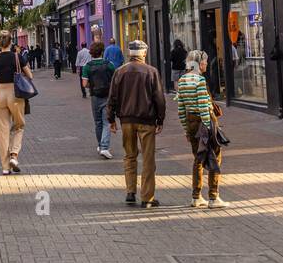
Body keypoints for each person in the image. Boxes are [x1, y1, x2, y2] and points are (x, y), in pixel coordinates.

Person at [107, 40, 166, 208]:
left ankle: (130, 192)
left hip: (126, 121)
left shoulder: (119, 72)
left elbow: (112, 97)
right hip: (147, 120)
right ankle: (147, 197)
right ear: (144, 54)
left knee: (129, 155)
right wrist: (160, 119)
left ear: (129, 54)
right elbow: (159, 98)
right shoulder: (151, 72)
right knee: (148, 159)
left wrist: (111, 119)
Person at [177, 49, 226, 208]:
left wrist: (186, 129)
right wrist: (209, 127)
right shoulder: (199, 80)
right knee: (215, 157)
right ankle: (213, 197)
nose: (206, 64)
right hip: (204, 122)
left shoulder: (182, 80)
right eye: (204, 62)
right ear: (198, 64)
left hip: (191, 122)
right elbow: (203, 106)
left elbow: (181, 109)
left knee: (198, 158)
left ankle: (196, 196)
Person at [0, 31, 29, 175]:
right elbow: (30, 75)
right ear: (11, 42)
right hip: (15, 93)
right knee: (19, 125)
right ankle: (14, 155)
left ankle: (5, 167)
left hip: (0, 93)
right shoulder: (17, 57)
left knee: (2, 131)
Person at [81, 41, 116, 160]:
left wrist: (92, 85)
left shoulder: (87, 66)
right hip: (107, 96)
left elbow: (84, 84)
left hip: (95, 96)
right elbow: (115, 80)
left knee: (98, 122)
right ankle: (104, 147)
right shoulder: (109, 64)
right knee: (106, 122)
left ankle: (101, 145)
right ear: (102, 52)